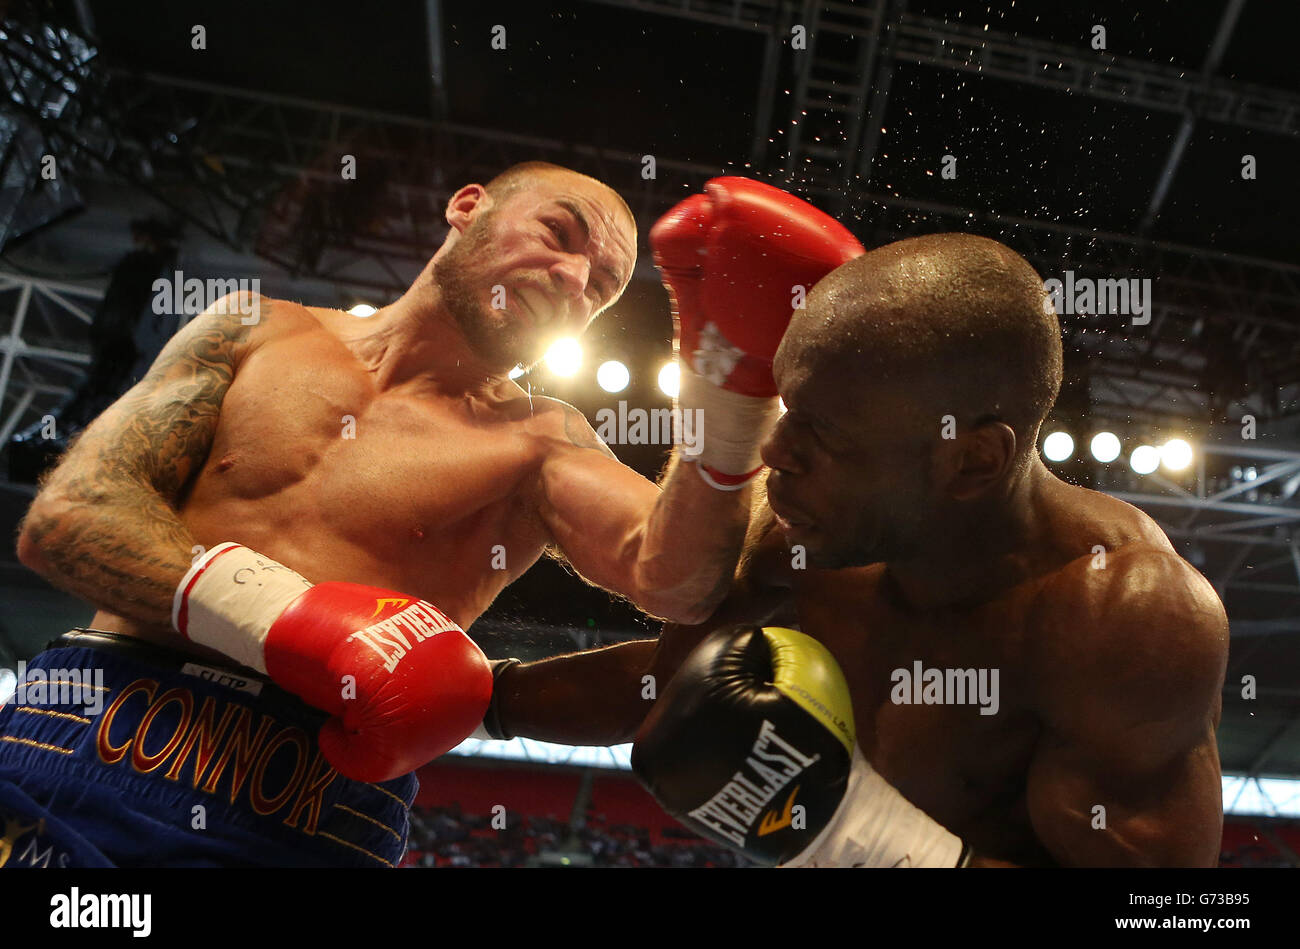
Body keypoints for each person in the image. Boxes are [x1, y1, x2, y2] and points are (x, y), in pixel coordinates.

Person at [2, 163, 863, 867]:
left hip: (309, 798)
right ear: (467, 206)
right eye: (558, 236)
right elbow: (70, 515)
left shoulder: (539, 443)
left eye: (599, 287)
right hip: (84, 722)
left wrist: (732, 396)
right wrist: (289, 617)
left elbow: (675, 577)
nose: (570, 281)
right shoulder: (254, 329)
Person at [486, 232, 1230, 867]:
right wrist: (482, 696)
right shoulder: (813, 539)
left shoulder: (1125, 621)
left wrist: (860, 836)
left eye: (825, 434)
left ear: (971, 460)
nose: (775, 449)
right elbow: (681, 695)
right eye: (787, 411)